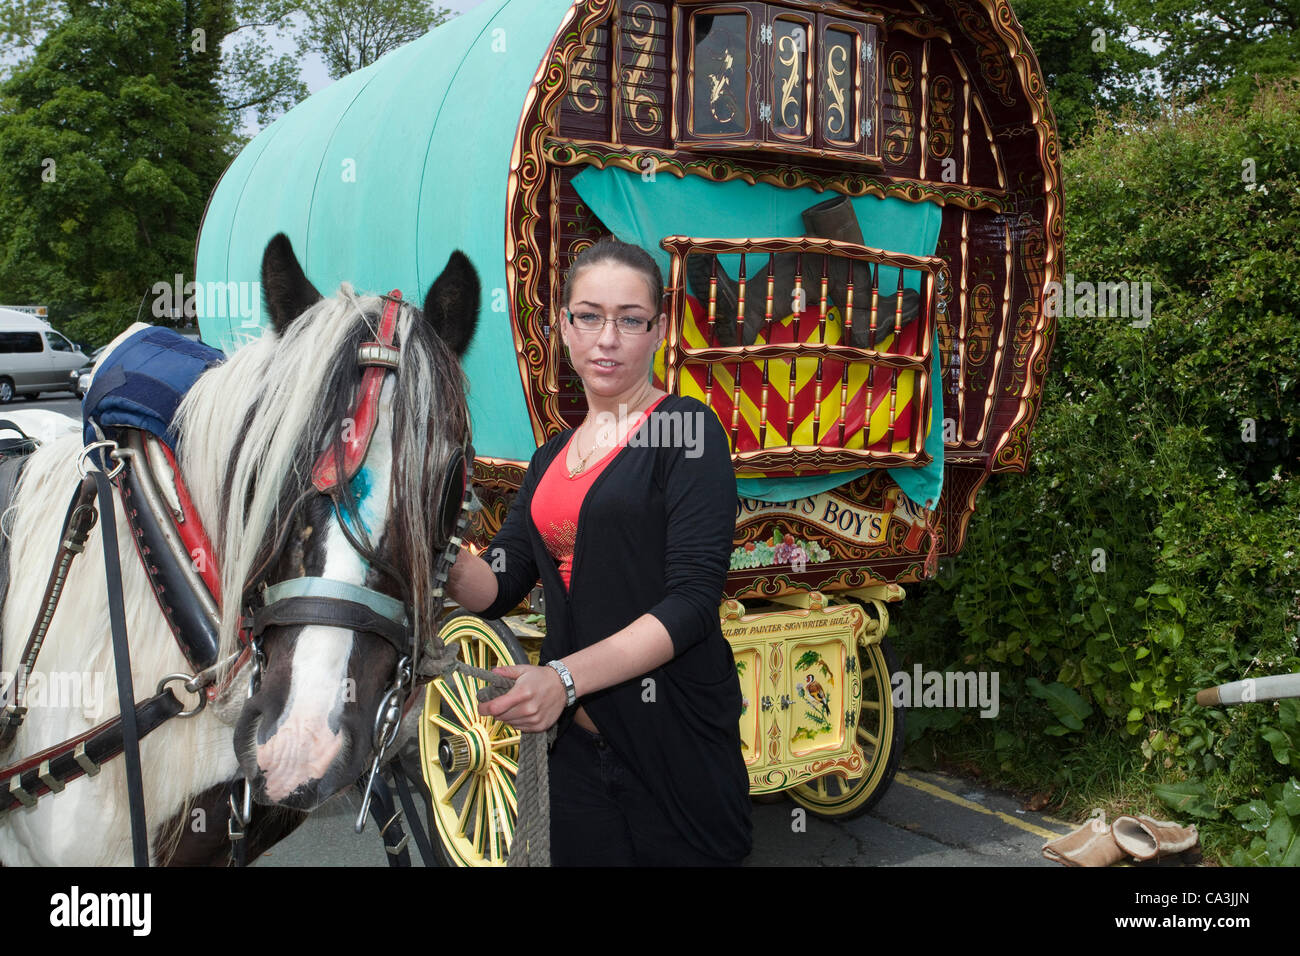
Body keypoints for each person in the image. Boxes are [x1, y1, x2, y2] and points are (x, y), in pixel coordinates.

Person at [445, 236, 752, 866]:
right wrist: (433, 543)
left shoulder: (687, 432)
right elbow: (500, 582)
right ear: (563, 327)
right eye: (588, 316)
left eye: (629, 320)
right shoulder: (550, 456)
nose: (606, 339)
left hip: (675, 746)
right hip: (577, 756)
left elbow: (692, 603)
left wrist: (562, 678)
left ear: (659, 330)